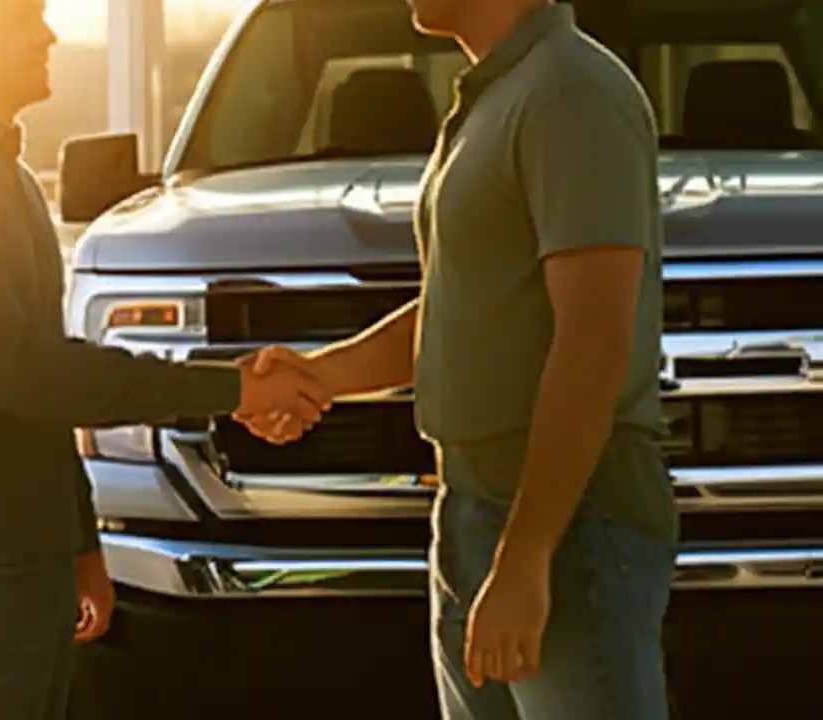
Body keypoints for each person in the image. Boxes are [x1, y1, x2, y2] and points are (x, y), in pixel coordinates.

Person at [0, 1, 331, 717]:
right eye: (21, 17)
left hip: (17, 541)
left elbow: (42, 385)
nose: (46, 34)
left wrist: (78, 542)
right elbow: (25, 372)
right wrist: (232, 390)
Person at [238, 1, 677, 718]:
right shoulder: (501, 94)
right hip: (474, 509)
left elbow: (596, 336)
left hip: (569, 520)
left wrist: (527, 556)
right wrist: (320, 375)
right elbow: (467, 307)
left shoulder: (571, 93)